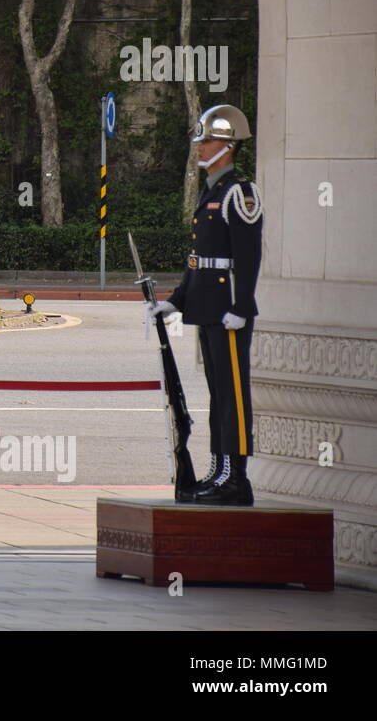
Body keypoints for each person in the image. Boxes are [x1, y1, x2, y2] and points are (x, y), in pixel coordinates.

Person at [149, 105, 262, 506]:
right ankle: (219, 470)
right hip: (209, 309)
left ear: (228, 146)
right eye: (199, 140)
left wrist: (243, 305)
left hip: (229, 311)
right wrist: (176, 301)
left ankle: (236, 480)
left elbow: (248, 257)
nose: (200, 148)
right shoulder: (212, 189)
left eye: (208, 141)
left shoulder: (239, 192)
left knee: (233, 395)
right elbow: (199, 258)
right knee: (218, 394)